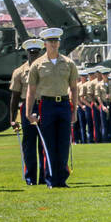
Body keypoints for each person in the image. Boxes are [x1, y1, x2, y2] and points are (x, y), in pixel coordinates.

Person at [25, 28, 79, 188]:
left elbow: (74, 88)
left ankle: (61, 179)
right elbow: (31, 90)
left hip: (63, 104)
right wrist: (28, 112)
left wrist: (74, 110)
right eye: (51, 41)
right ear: (45, 44)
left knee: (63, 143)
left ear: (59, 43)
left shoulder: (68, 63)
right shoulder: (37, 64)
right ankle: (50, 179)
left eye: (56, 41)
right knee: (48, 144)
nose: (54, 44)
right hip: (46, 104)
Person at [9, 38, 44, 182]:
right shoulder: (19, 72)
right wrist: (12, 119)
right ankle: (30, 177)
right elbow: (15, 96)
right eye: (31, 53)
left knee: (43, 143)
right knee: (28, 144)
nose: (34, 56)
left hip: (43, 105)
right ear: (27, 54)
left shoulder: (46, 69)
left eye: (36, 53)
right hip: (27, 107)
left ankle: (44, 176)